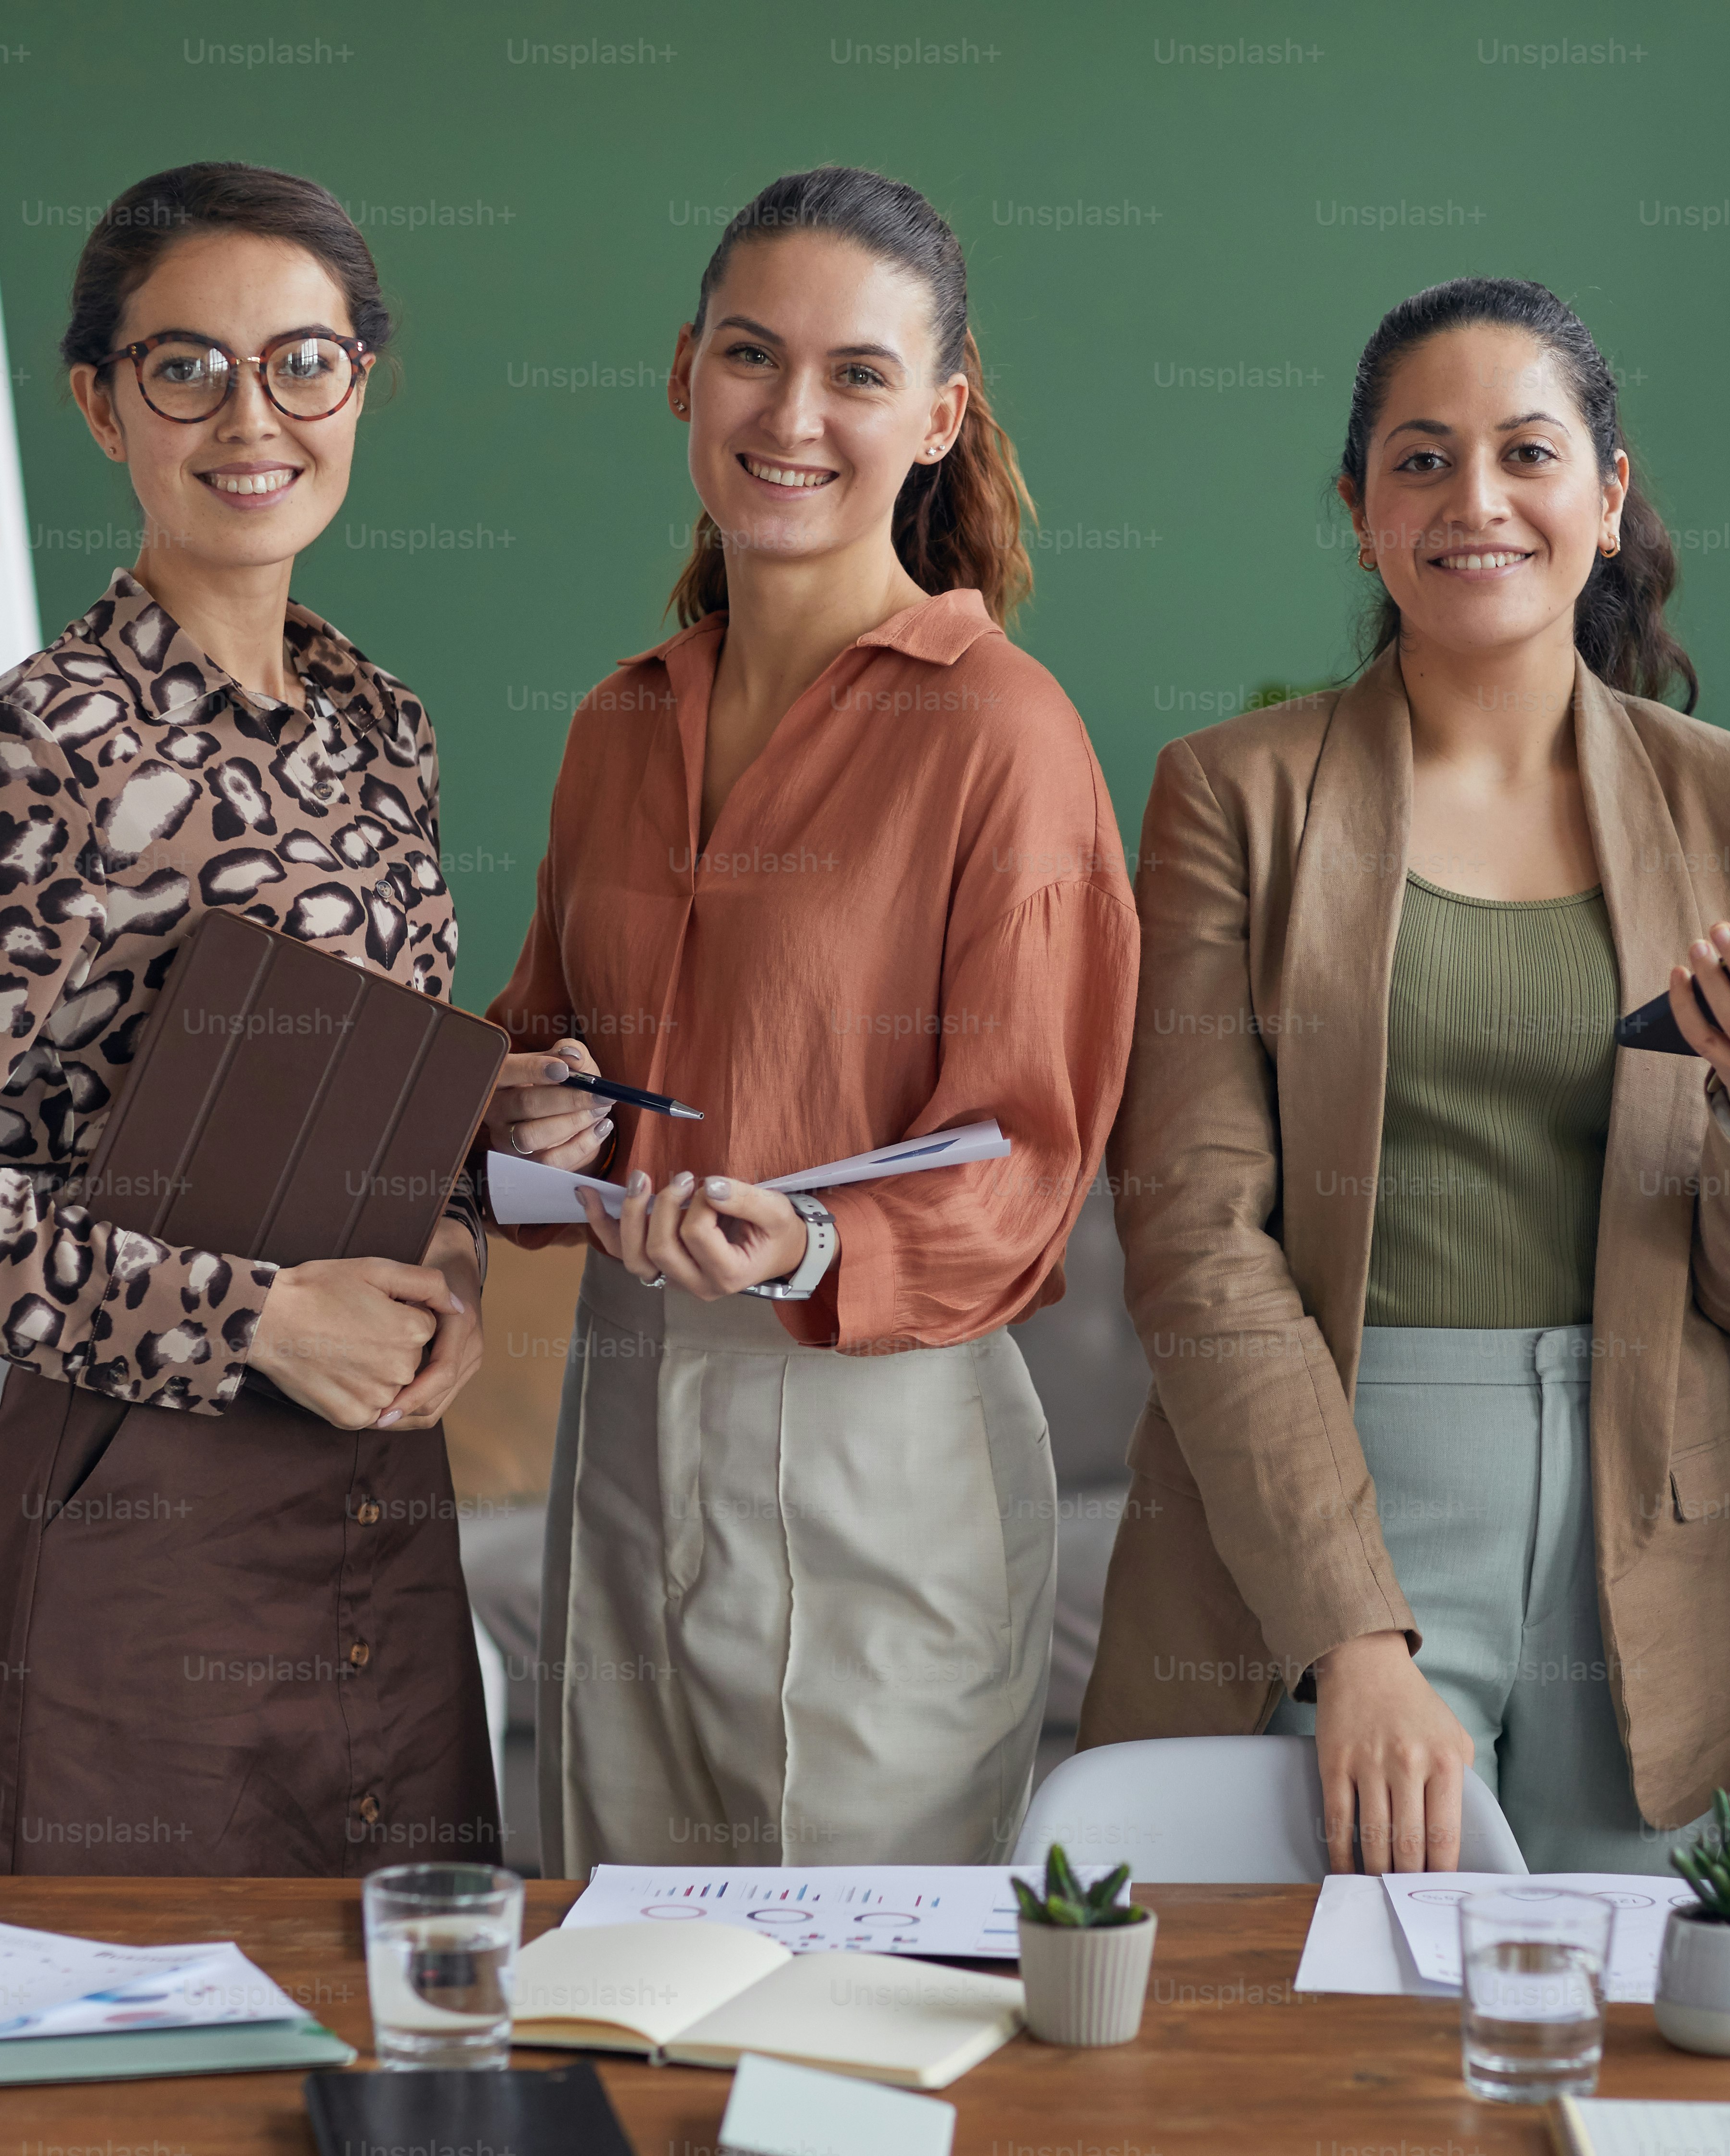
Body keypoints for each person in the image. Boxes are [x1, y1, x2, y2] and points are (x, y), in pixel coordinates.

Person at [1079, 278, 1730, 1874]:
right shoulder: (1233, 795)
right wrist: (1352, 1636)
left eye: (1527, 453)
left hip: (1666, 1526)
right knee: (1316, 2055)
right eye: (1422, 461)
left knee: (1636, 2055)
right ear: (1360, 513)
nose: (1477, 502)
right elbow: (1190, 1234)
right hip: (1333, 1481)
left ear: (1608, 493)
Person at [0, 163, 501, 1875]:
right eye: (185, 367)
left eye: (304, 363)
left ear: (362, 382)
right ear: (100, 403)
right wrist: (258, 1320)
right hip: (132, 1527)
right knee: (133, 2091)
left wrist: (456, 1256)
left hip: (375, 1515)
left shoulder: (373, 727)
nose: (251, 417)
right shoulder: (49, 745)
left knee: (404, 2058)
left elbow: (344, 1116)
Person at [484, 167, 1136, 1873]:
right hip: (618, 1431)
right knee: (614, 1982)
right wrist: (515, 1103)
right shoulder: (618, 725)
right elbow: (536, 1033)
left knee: (856, 2028)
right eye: (754, 358)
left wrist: (802, 1242)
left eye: (858, 374)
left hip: (878, 1452)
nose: (794, 414)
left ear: (940, 416)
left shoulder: (1005, 735)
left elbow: (1030, 1163)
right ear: (685, 370)